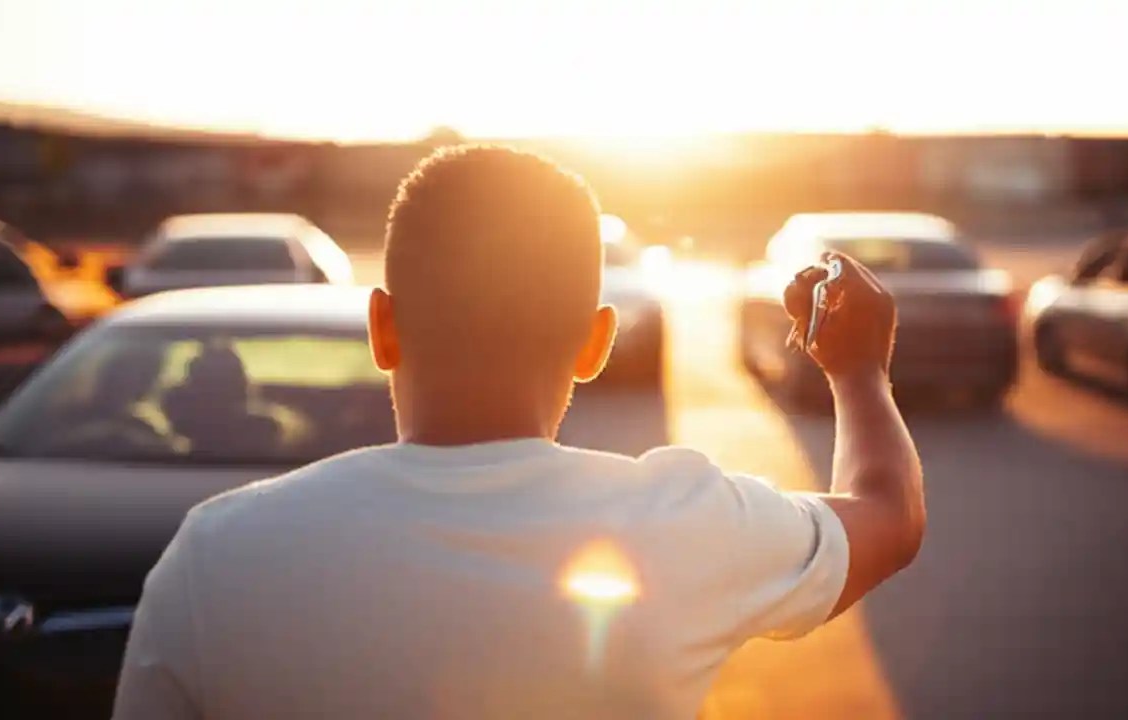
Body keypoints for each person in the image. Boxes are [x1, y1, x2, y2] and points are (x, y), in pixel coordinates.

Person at [112, 146, 924, 720]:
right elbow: (889, 514)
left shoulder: (215, 555)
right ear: (595, 344)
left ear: (382, 330)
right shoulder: (684, 522)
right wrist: (857, 371)